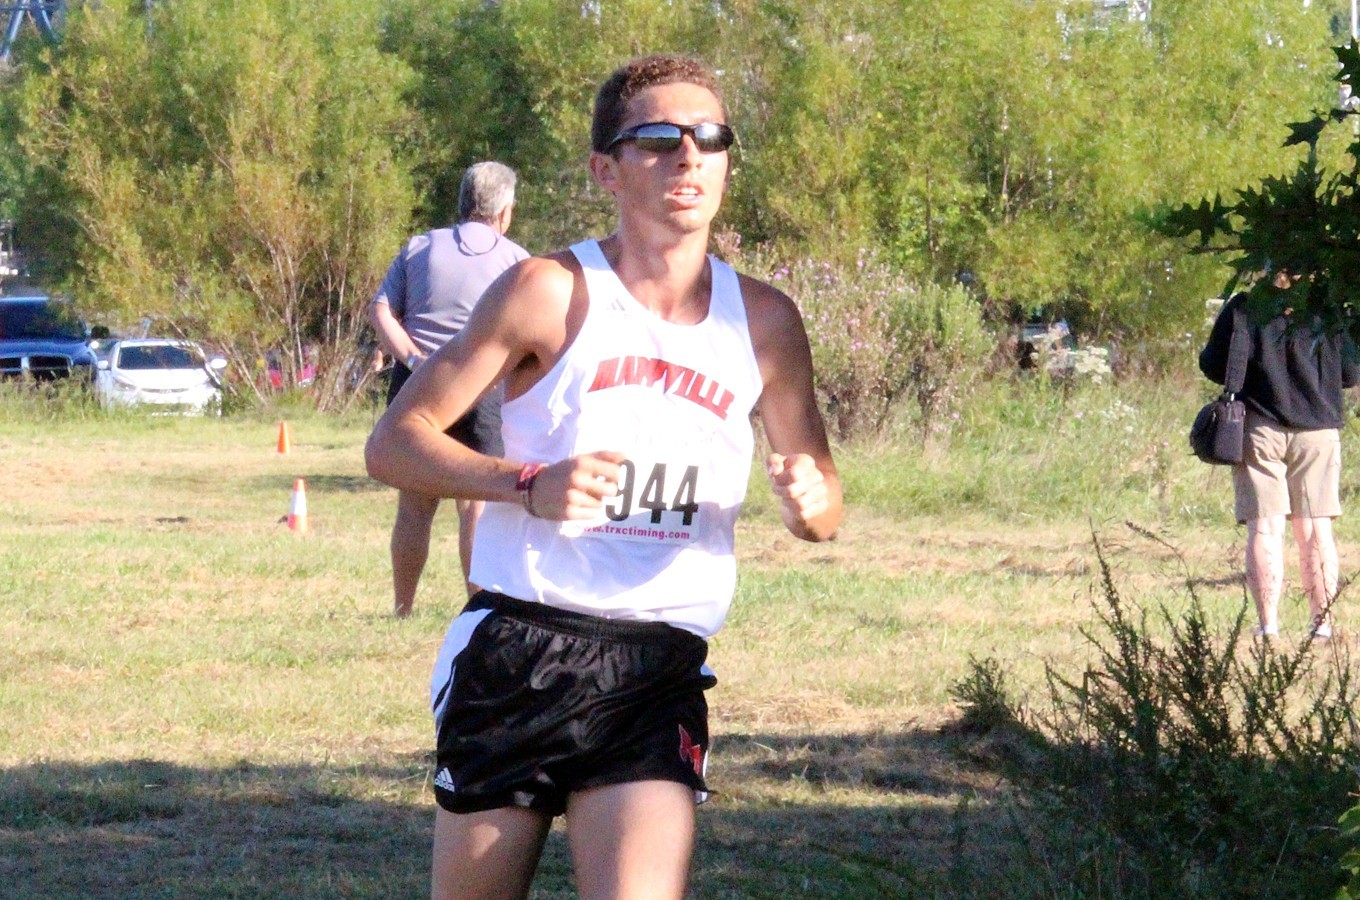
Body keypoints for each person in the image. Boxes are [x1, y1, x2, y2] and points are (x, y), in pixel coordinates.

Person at [366, 54, 842, 900]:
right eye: (658, 140)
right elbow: (395, 444)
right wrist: (525, 483)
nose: (688, 158)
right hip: (519, 646)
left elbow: (825, 502)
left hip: (656, 666)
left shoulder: (765, 319)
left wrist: (812, 502)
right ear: (605, 168)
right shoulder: (547, 290)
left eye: (709, 138)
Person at [368, 161, 529, 617]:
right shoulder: (517, 260)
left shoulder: (418, 247)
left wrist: (414, 359)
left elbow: (381, 312)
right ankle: (478, 609)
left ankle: (402, 608)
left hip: (418, 387)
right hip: (482, 392)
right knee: (474, 503)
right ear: (505, 213)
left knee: (415, 504)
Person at [1199, 273, 1359, 640]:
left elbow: (1212, 366)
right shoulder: (1331, 309)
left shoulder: (1245, 308)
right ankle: (1322, 625)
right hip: (1318, 431)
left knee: (1265, 527)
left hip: (1259, 426)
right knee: (1317, 531)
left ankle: (1268, 625)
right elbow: (1350, 374)